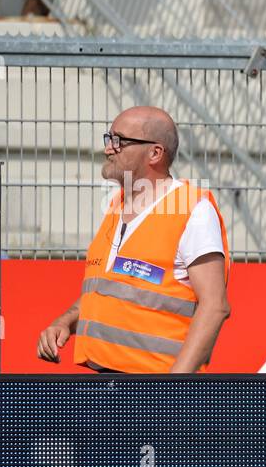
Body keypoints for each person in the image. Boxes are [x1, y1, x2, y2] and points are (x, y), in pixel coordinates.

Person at [36, 106, 232, 374]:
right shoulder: (117, 206)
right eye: (109, 139)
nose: (108, 149)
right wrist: (66, 322)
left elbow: (215, 306)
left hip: (156, 386)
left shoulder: (192, 208)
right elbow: (106, 290)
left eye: (119, 141)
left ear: (155, 153)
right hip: (109, 379)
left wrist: (173, 389)